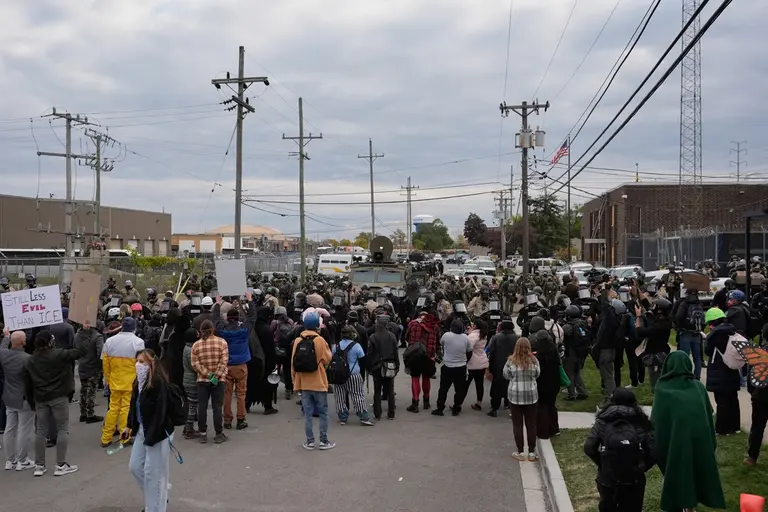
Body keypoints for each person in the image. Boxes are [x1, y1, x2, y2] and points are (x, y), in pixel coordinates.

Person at [651, 351, 726, 511]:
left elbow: (657, 422)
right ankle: (689, 506)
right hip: (699, 440)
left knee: (678, 471)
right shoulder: (698, 387)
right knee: (694, 470)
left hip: (675, 443)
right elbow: (708, 415)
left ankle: (684, 504)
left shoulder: (662, 388)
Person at [23, 330, 86, 477]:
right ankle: (60, 464)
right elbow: (80, 351)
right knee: (62, 428)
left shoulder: (30, 360)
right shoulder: (59, 354)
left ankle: (39, 465)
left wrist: (31, 401)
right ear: (50, 342)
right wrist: (84, 331)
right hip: (59, 396)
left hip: (40, 398)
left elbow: (27, 383)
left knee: (40, 431)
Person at [583, 388, 656, 512]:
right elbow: (654, 452)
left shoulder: (602, 421)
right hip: (634, 478)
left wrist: (602, 463)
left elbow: (589, 447)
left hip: (607, 478)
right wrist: (641, 467)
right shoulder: (641, 421)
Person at [124, 349, 176, 512]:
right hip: (143, 430)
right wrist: (129, 425)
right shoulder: (138, 382)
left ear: (151, 363)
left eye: (142, 362)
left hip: (158, 433)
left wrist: (151, 438)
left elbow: (160, 413)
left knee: (153, 473)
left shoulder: (158, 383)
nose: (138, 365)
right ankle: (159, 496)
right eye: (136, 361)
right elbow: (134, 406)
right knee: (135, 467)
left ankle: (155, 507)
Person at [291, 311, 335, 450]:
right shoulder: (320, 340)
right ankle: (323, 441)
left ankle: (309, 442)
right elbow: (327, 358)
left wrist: (294, 380)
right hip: (319, 381)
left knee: (308, 415)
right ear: (317, 325)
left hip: (303, 383)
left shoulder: (298, 340)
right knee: (323, 413)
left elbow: (293, 363)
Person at [101, 317, 145, 448]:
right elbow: (141, 363)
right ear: (134, 327)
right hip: (130, 382)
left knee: (113, 408)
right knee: (126, 409)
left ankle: (106, 438)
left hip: (114, 380)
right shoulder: (138, 342)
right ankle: (124, 438)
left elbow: (105, 363)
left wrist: (108, 380)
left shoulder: (109, 341)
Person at [703, 307, 741, 435]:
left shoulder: (714, 335)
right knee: (733, 398)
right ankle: (735, 427)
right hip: (732, 367)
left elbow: (708, 351)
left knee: (722, 401)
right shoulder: (732, 330)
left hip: (718, 369)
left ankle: (722, 429)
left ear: (711, 322)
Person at [1, 329, 34, 471]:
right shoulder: (27, 359)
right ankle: (22, 460)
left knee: (10, 429)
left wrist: (6, 336)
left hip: (9, 396)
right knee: (24, 429)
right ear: (23, 342)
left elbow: (2, 347)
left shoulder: (4, 355)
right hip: (23, 398)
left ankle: (10, 460)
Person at [191, 320, 229, 444]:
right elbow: (224, 362)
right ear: (213, 330)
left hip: (202, 380)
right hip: (219, 380)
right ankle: (218, 434)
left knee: (202, 406)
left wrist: (208, 374)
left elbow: (195, 364)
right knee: (217, 406)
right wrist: (215, 376)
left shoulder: (196, 345)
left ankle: (202, 433)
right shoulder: (222, 342)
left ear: (200, 330)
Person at [504, 337, 540, 461]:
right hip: (531, 395)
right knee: (531, 424)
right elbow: (537, 374)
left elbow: (506, 374)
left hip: (515, 396)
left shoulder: (511, 361)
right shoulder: (534, 360)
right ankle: (531, 452)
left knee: (517, 425)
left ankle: (520, 451)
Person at [332, 325, 373, 426]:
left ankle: (343, 418)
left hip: (338, 375)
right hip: (353, 374)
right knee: (357, 395)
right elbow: (363, 360)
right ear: (353, 334)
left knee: (339, 396)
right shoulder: (356, 346)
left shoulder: (336, 346)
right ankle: (363, 417)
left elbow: (332, 359)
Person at [432, 319, 472, 417]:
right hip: (461, 367)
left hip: (448, 366)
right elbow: (469, 351)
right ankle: (456, 408)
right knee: (459, 390)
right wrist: (464, 361)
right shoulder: (465, 338)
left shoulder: (446, 335)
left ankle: (440, 408)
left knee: (443, 389)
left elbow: (441, 343)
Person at [404, 309, 440, 413]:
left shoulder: (412, 323)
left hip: (415, 355)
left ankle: (415, 403)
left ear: (419, 316)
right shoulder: (434, 325)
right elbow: (437, 342)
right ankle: (426, 401)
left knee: (415, 378)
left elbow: (406, 337)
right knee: (426, 377)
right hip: (429, 356)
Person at [367, 315, 400, 420]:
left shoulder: (373, 337)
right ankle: (391, 413)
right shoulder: (392, 336)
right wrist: (397, 365)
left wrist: (369, 367)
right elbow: (395, 352)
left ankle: (377, 414)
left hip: (377, 366)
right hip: (390, 365)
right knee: (390, 390)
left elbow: (370, 354)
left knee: (377, 390)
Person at [531, 328, 561, 439]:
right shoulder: (553, 350)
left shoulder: (539, 353)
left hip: (542, 382)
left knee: (542, 406)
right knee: (552, 405)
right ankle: (554, 428)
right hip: (554, 381)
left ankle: (543, 431)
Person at [486, 320, 518, 417]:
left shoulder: (496, 337)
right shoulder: (516, 338)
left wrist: (489, 366)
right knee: (510, 384)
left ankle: (494, 408)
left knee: (496, 386)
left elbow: (490, 350)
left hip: (498, 365)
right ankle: (508, 404)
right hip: (512, 364)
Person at [74, 322, 104, 423]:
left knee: (83, 389)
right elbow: (100, 353)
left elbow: (75, 349)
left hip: (82, 365)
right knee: (91, 391)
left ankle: (83, 413)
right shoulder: (97, 336)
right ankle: (90, 414)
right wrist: (101, 366)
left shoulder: (77, 335)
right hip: (93, 366)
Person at [181, 327, 201, 439]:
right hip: (192, 381)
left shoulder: (186, 348)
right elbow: (194, 367)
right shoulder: (191, 350)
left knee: (190, 405)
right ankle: (189, 430)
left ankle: (187, 428)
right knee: (193, 406)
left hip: (187, 379)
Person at [465, 318, 489, 412]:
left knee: (465, 384)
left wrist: (470, 334)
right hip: (482, 361)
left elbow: (468, 347)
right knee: (479, 384)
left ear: (475, 325)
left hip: (473, 363)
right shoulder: (483, 335)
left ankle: (457, 404)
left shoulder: (473, 335)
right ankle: (479, 403)